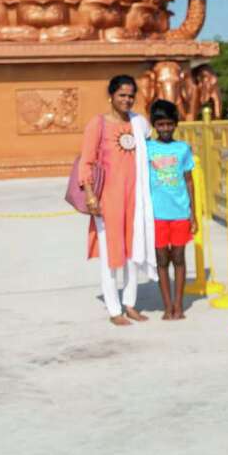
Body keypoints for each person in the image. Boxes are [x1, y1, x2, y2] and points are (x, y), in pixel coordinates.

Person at [79, 75, 156, 326]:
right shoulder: (98, 124)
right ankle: (114, 309)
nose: (127, 100)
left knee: (135, 249)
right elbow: (86, 162)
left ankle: (130, 303)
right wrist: (90, 194)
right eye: (122, 95)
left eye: (131, 95)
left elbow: (151, 151)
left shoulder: (139, 123)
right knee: (112, 251)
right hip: (107, 199)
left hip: (136, 198)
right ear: (111, 95)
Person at [145, 99, 197, 320]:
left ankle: (179, 305)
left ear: (175, 124)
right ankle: (167, 306)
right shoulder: (147, 148)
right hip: (156, 214)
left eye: (169, 124)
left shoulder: (183, 149)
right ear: (154, 125)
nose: (165, 129)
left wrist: (193, 214)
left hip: (179, 213)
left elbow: (189, 181)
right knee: (162, 260)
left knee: (179, 257)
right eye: (160, 124)